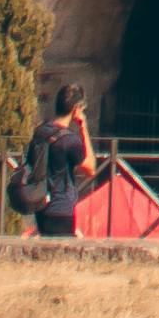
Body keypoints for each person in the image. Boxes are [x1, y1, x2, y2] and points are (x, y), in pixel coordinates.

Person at [19, 79, 95, 239]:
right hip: (61, 209)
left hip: (41, 207)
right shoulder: (69, 140)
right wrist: (83, 127)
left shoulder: (40, 132)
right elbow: (90, 168)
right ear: (76, 110)